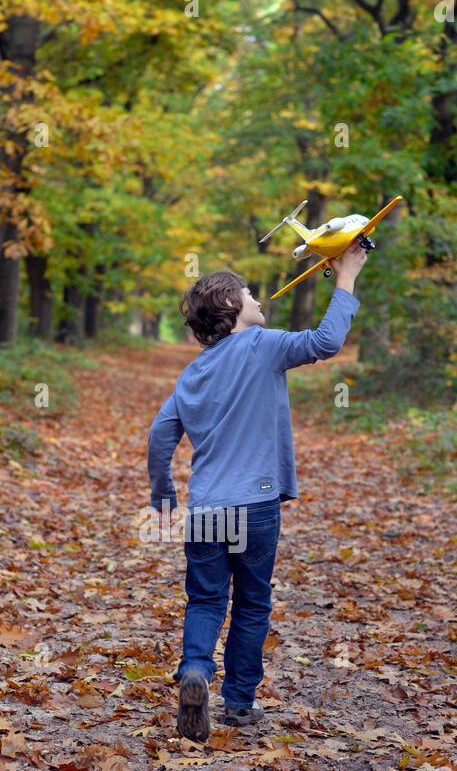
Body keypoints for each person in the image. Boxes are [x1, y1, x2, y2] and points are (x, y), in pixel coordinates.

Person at [146, 241, 368, 742]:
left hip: (205, 511)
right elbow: (326, 341)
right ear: (231, 307)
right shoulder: (264, 345)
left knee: (205, 601)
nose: (258, 300)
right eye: (249, 294)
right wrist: (347, 276)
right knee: (251, 604)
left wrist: (163, 496)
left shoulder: (192, 373)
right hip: (255, 507)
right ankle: (240, 705)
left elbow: (161, 436)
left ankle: (197, 670)